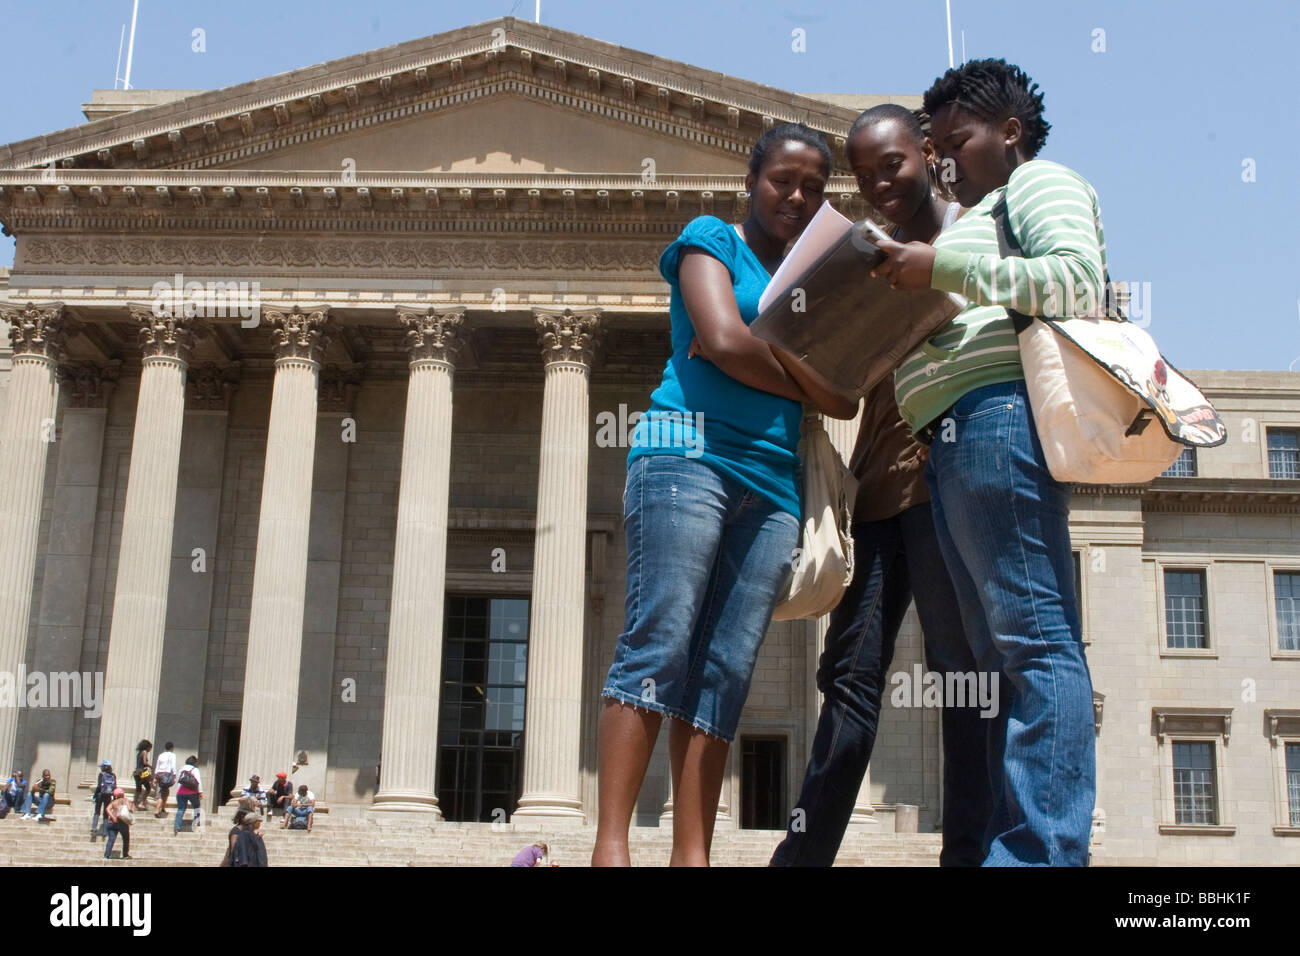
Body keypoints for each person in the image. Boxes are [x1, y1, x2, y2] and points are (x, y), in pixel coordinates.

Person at [592, 122, 858, 868]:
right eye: (783, 180)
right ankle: (611, 847)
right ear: (751, 180)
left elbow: (841, 396)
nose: (797, 196)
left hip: (773, 486)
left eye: (814, 188)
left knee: (723, 673)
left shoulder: (816, 285)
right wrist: (802, 373)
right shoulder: (711, 238)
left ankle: (693, 855)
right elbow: (718, 337)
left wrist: (762, 356)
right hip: (687, 458)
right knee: (660, 641)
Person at [871, 58, 1099, 865]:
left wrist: (938, 267)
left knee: (1036, 646)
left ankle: (1040, 852)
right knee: (1001, 661)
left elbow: (1077, 281)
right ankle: (1019, 842)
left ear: (1009, 132)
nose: (940, 162)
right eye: (932, 148)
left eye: (953, 142)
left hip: (1001, 422)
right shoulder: (972, 216)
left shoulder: (1036, 186)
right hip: (958, 442)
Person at [770, 103, 992, 867]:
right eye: (863, 176)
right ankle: (801, 858)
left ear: (928, 154)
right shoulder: (874, 256)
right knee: (850, 681)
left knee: (961, 681)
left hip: (949, 493)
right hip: (878, 496)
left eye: (890, 165)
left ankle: (967, 853)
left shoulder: (977, 234)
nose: (880, 185)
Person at [173, 755, 203, 833]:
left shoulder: (181, 769)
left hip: (181, 791)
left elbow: (179, 781)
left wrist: (178, 791)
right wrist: (200, 792)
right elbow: (198, 781)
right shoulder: (195, 769)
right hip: (192, 791)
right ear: (195, 762)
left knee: (180, 809)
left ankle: (177, 826)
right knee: (197, 806)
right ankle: (196, 821)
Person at [103, 787, 132, 860]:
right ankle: (125, 854)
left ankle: (107, 855)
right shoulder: (125, 800)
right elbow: (129, 809)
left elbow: (107, 809)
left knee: (111, 839)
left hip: (112, 822)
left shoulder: (113, 802)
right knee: (126, 838)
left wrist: (112, 817)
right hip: (122, 821)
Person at [91, 759, 116, 834]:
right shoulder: (113, 775)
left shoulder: (101, 774)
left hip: (100, 795)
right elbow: (115, 787)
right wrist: (114, 798)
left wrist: (94, 796)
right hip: (108, 796)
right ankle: (104, 831)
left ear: (103, 767)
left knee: (97, 812)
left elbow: (99, 786)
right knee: (106, 813)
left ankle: (94, 828)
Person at [153, 741, 177, 817]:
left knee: (165, 791)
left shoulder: (161, 755)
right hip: (166, 774)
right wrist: (174, 775)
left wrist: (155, 777)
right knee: (163, 791)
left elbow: (157, 766)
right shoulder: (172, 755)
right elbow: (173, 765)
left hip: (159, 774)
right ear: (172, 748)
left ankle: (163, 808)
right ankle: (157, 809)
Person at [132, 739, 152, 811]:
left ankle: (134, 804)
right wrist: (151, 767)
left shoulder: (139, 753)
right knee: (148, 788)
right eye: (150, 748)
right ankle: (141, 802)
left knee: (138, 789)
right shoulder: (144, 752)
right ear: (147, 747)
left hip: (136, 772)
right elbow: (144, 763)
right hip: (142, 773)